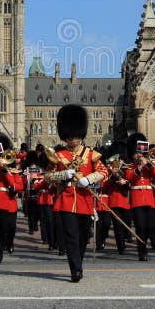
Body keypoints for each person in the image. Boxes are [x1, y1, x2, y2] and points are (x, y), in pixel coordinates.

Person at [44, 104, 108, 283]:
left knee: (82, 237)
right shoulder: (58, 156)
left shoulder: (90, 154)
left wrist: (88, 179)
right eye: (70, 136)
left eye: (76, 136)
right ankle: (76, 269)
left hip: (84, 199)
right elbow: (47, 176)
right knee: (71, 235)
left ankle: (78, 262)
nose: (73, 139)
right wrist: (63, 174)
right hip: (65, 199)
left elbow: (104, 172)